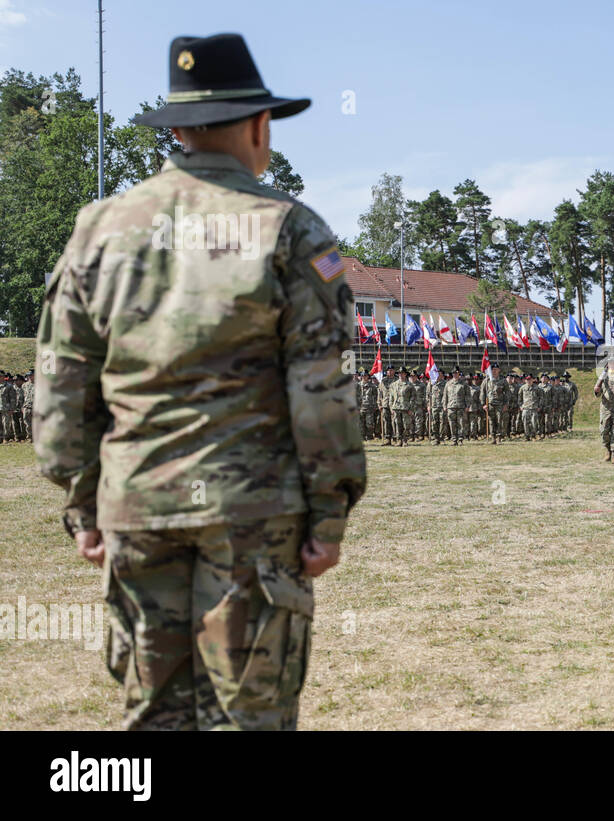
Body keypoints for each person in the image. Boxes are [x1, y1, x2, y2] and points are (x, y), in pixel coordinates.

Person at [33, 33, 365, 730]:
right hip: (253, 515)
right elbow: (321, 390)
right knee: (249, 716)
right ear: (258, 125)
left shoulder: (99, 229)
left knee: (152, 718)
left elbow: (62, 381)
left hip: (138, 507)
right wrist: (327, 513)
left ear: (177, 128)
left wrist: (81, 501)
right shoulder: (294, 232)